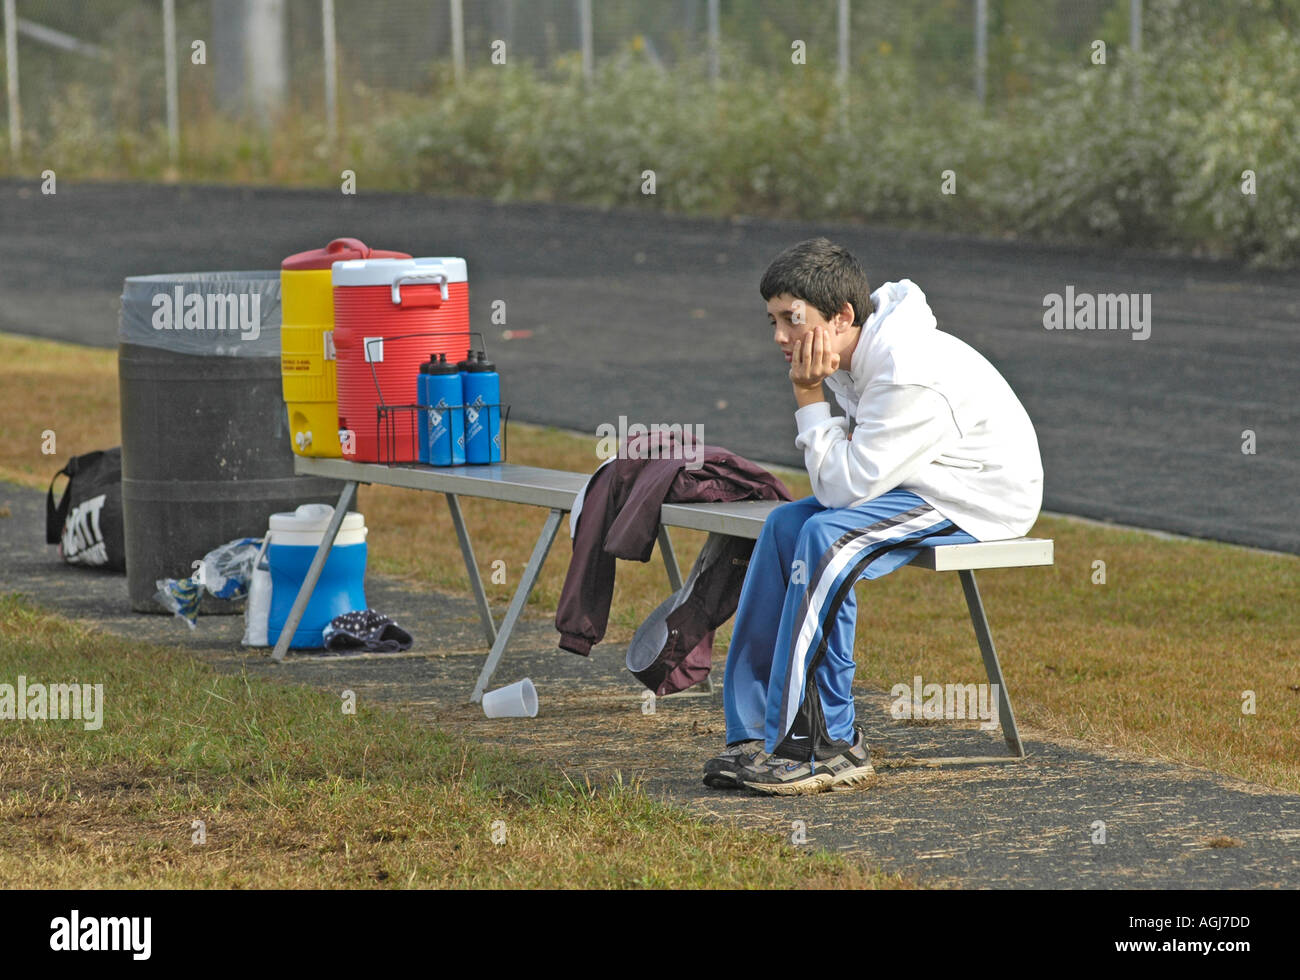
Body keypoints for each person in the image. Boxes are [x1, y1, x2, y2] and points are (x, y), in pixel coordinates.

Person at [704, 237, 1043, 795]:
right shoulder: (851, 349)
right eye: (772, 321)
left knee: (827, 538)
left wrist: (808, 395)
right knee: (785, 525)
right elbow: (849, 471)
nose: (780, 337)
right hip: (917, 479)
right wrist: (827, 409)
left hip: (978, 496)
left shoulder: (904, 369)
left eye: (792, 319)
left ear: (842, 315)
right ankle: (757, 730)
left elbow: (843, 489)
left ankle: (816, 745)